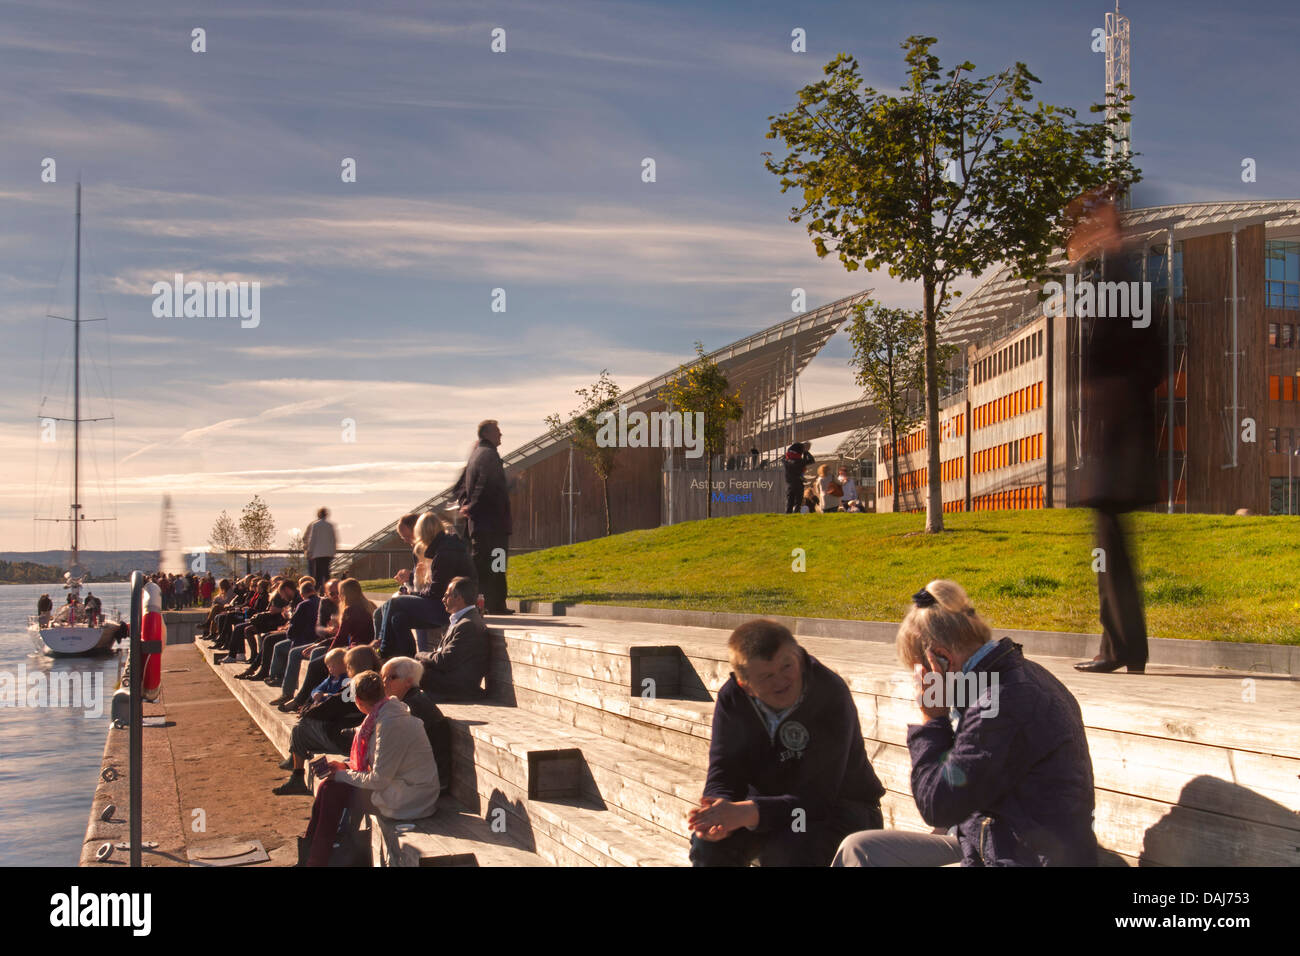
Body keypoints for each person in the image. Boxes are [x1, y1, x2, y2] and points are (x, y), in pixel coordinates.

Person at [833, 580, 1097, 867]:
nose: (919, 684)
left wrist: (931, 719)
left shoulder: (998, 705)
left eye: (920, 673)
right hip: (992, 844)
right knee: (859, 849)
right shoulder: (1011, 677)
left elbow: (936, 805)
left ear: (942, 660)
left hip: (1022, 859)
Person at [687, 619, 884, 866]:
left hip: (840, 808)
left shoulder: (829, 694)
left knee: (789, 848)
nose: (781, 680)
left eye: (787, 666)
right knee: (708, 847)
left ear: (799, 657)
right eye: (767, 676)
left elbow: (818, 797)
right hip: (766, 810)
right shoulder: (733, 699)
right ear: (745, 685)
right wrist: (717, 810)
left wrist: (749, 812)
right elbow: (724, 769)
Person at [1068, 189, 1161, 675]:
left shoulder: (1121, 283)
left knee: (1110, 549)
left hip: (1118, 445)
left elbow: (1140, 361)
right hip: (1123, 442)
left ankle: (1121, 648)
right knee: (1113, 548)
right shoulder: (1128, 283)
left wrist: (1104, 393)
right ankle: (1126, 648)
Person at [298, 670, 440, 866]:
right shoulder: (383, 714)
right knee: (327, 786)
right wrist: (344, 767)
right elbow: (377, 766)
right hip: (398, 786)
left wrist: (342, 775)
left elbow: (379, 779)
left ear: (358, 701)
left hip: (411, 797)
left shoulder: (390, 723)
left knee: (332, 790)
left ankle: (315, 861)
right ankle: (310, 855)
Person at [275, 645, 382, 795]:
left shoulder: (357, 685)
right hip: (363, 737)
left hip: (350, 740)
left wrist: (306, 710)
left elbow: (327, 708)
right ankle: (295, 761)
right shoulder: (378, 680)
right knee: (305, 725)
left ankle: (297, 777)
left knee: (300, 728)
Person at [375, 514, 475, 659]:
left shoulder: (445, 552)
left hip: (450, 607)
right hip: (445, 603)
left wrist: (411, 596)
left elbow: (436, 592)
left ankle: (383, 651)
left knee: (394, 602)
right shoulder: (443, 548)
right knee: (398, 618)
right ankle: (408, 659)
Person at [283, 578, 376, 712]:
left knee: (317, 665)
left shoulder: (349, 610)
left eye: (339, 593)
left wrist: (330, 654)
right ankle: (307, 701)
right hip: (365, 649)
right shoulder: (369, 605)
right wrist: (319, 644)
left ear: (344, 593)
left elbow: (341, 637)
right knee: (321, 662)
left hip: (354, 650)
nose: (337, 596)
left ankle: (303, 701)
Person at [460, 419, 512, 614]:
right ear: (488, 434)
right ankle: (496, 604)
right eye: (498, 431)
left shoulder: (477, 455)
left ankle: (488, 603)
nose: (501, 434)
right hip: (493, 525)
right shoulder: (489, 455)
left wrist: (468, 505)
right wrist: (472, 506)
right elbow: (484, 484)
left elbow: (469, 486)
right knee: (496, 564)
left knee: (485, 564)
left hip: (482, 525)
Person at [381, 657, 452, 792]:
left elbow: (390, 756)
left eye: (390, 677)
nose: (384, 682)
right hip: (423, 778)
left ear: (408, 682)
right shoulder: (413, 700)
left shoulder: (408, 709)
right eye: (382, 677)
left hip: (423, 785)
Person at [415, 576, 490, 701]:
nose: (443, 599)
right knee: (404, 671)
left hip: (459, 688)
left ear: (459, 598)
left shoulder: (468, 624)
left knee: (404, 673)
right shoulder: (461, 620)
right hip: (450, 680)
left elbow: (444, 660)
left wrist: (419, 655)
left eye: (447, 595)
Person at [304, 507, 337, 591]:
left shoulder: (315, 525)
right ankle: (328, 590)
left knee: (318, 574)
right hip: (328, 553)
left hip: (318, 553)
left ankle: (317, 590)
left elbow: (313, 539)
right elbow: (333, 539)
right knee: (326, 573)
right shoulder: (330, 525)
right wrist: (333, 551)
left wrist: (310, 551)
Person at [783, 441, 814, 514]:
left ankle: (788, 515)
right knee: (798, 501)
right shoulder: (800, 461)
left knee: (790, 502)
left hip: (789, 483)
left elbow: (790, 451)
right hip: (798, 483)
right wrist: (806, 452)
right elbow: (812, 460)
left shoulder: (786, 460)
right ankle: (796, 514)